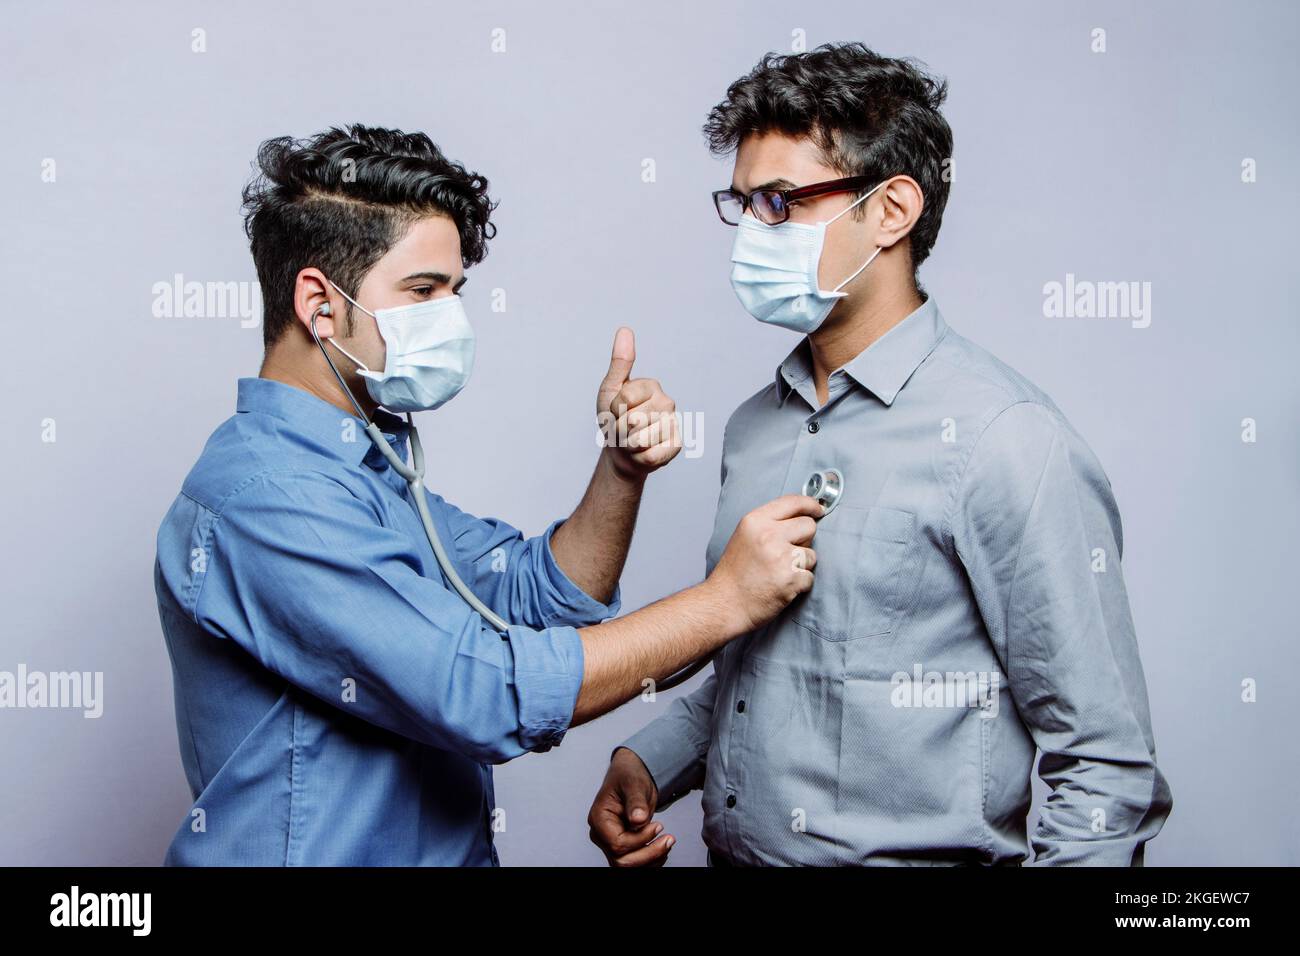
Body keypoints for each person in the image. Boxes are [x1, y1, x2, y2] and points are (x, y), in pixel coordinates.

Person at [153, 124, 823, 865]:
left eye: (454, 290)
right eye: (423, 291)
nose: (451, 317)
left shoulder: (364, 469)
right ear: (319, 302)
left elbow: (539, 594)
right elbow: (483, 693)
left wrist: (620, 470)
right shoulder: (268, 499)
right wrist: (727, 600)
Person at [590, 43, 1172, 867]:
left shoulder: (1006, 438)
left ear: (892, 210)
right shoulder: (758, 427)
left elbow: (1105, 766)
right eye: (742, 204)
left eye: (781, 202)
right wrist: (650, 757)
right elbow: (775, 670)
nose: (753, 231)